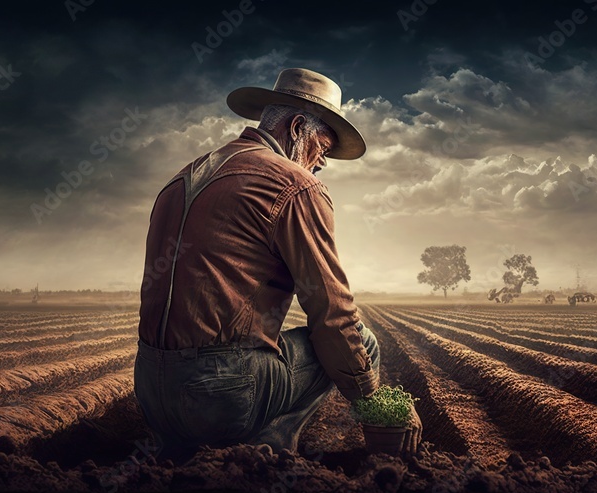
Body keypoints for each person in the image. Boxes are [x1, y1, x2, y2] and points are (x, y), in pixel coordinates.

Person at [134, 68, 422, 459]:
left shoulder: (182, 177)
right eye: (321, 146)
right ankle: (270, 451)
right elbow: (333, 314)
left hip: (151, 393)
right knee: (361, 342)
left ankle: (185, 449)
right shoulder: (295, 184)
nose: (321, 163)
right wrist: (378, 405)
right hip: (220, 397)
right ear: (297, 127)